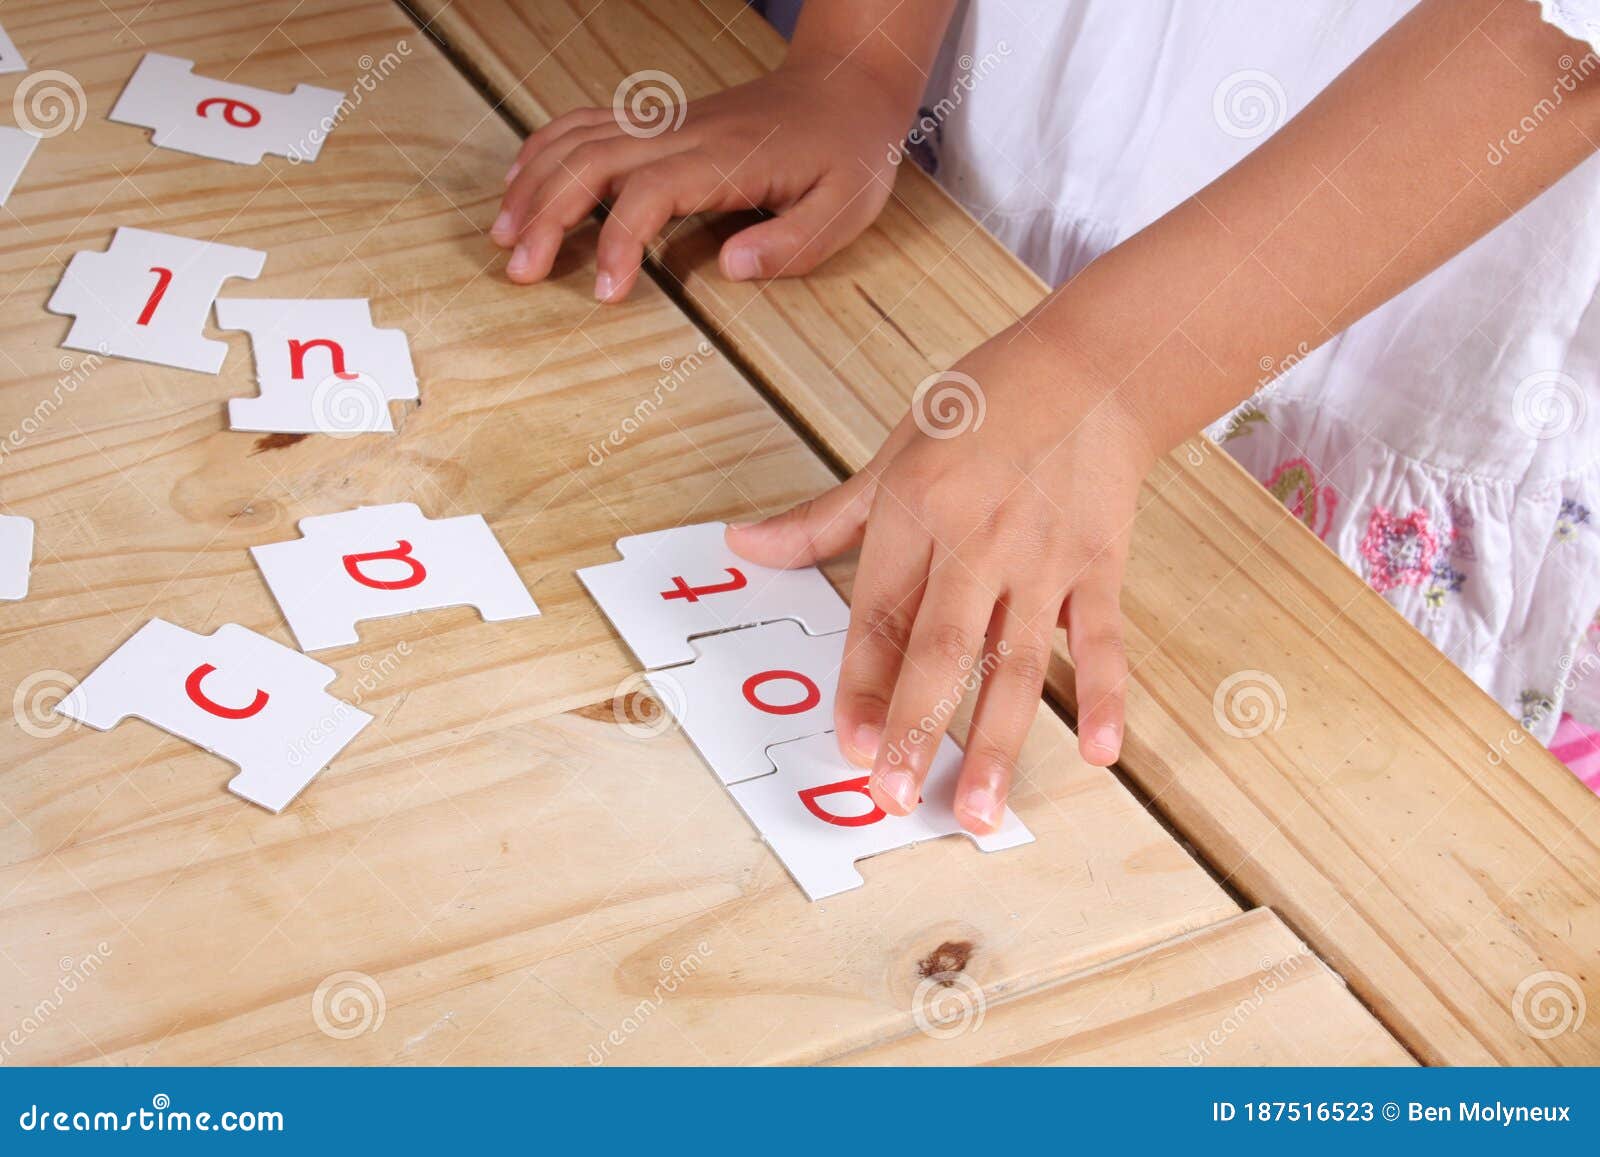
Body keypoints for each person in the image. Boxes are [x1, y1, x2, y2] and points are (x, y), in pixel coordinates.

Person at [492, 0, 1600, 829]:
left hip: (1372, 373)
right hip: (1000, 256)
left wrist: (1107, 374)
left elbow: (1559, 38)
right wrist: (857, 59)